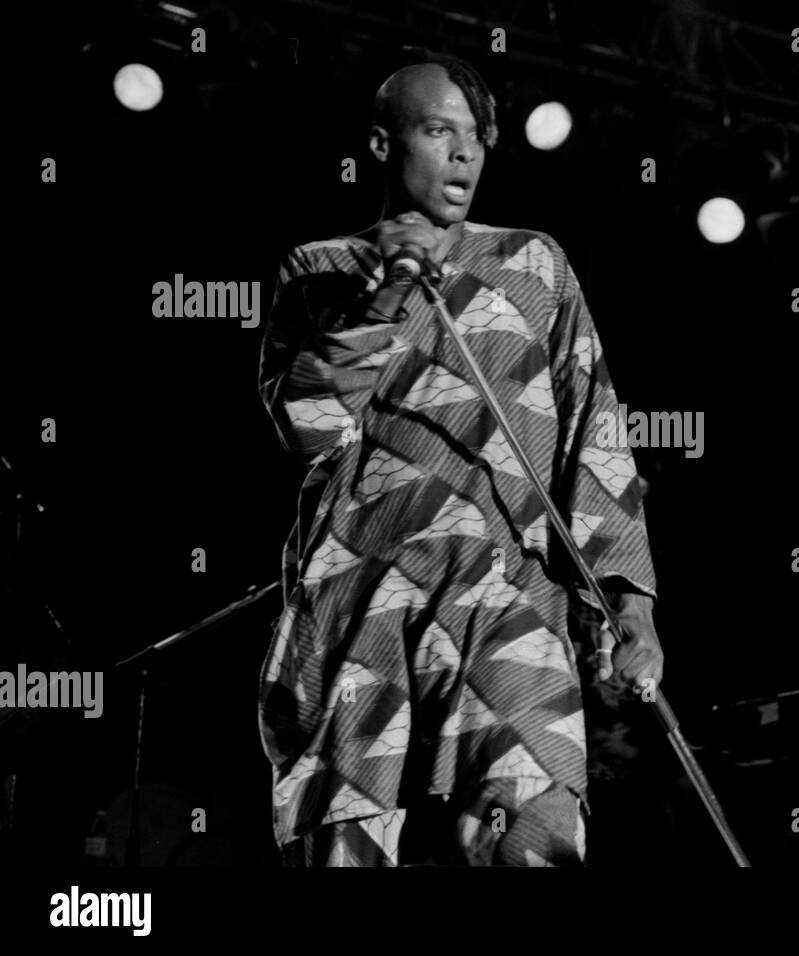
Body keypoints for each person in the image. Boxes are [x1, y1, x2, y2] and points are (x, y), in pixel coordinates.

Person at [256, 51, 663, 866]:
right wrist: (389, 288)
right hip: (358, 593)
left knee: (538, 829)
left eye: (477, 136)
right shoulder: (320, 267)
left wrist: (630, 600)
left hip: (504, 588)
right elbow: (307, 421)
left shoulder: (532, 261)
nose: (466, 154)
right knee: (346, 847)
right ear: (382, 144)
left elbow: (596, 425)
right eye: (439, 131)